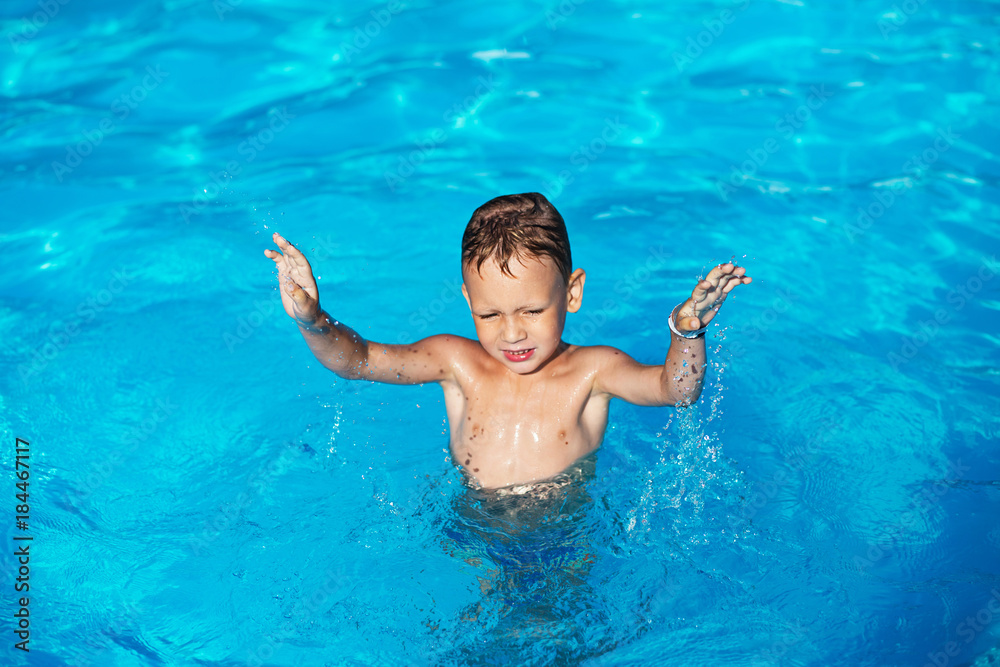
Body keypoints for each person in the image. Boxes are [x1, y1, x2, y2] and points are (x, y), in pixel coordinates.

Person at [263, 192, 751, 490]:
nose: (512, 333)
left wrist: (687, 332)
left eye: (531, 311)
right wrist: (313, 320)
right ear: (467, 300)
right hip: (472, 525)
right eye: (489, 314)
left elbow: (675, 391)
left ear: (572, 293)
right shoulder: (456, 362)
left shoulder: (594, 371)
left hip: (561, 531)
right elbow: (358, 360)